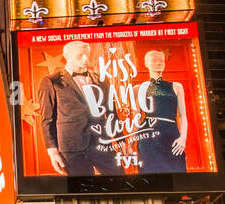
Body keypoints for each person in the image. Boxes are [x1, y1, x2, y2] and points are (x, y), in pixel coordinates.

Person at [36, 40, 122, 177]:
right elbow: (47, 119)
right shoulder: (51, 82)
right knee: (83, 189)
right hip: (71, 148)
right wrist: (52, 151)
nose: (85, 59)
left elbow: (111, 112)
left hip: (102, 142)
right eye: (80, 55)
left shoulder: (101, 79)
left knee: (120, 181)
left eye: (87, 54)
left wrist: (121, 140)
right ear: (67, 56)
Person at [136, 49, 187, 173]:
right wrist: (129, 144)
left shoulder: (176, 86)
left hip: (170, 134)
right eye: (154, 61)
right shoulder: (139, 88)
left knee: (177, 172)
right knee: (150, 175)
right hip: (148, 138)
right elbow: (136, 118)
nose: (158, 63)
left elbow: (183, 116)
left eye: (161, 61)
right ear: (146, 63)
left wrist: (183, 138)